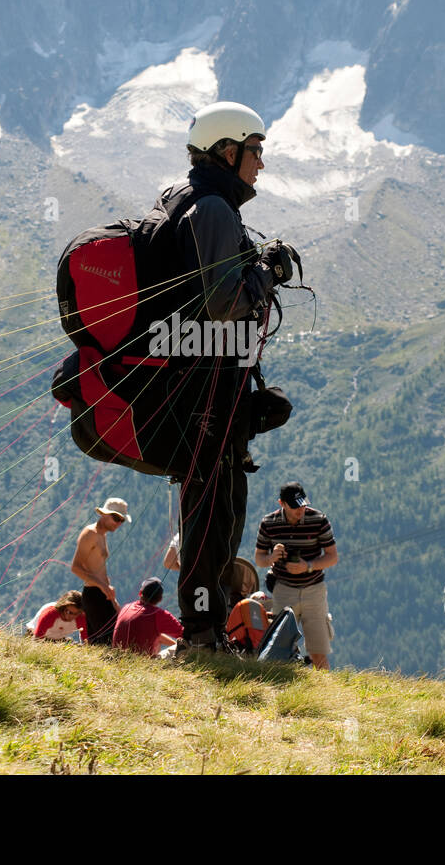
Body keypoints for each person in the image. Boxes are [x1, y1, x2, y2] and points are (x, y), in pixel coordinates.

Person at [168, 102, 297, 649]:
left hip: (191, 385)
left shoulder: (186, 200)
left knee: (210, 508)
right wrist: (267, 272)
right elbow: (225, 303)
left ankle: (207, 629)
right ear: (228, 150)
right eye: (255, 151)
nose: (261, 164)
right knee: (216, 514)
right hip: (207, 393)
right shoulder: (215, 209)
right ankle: (202, 636)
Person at [253, 481, 338, 669]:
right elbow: (259, 558)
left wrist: (307, 566)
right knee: (278, 650)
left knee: (318, 649)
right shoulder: (269, 523)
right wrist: (272, 558)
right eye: (295, 506)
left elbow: (332, 557)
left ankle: (325, 692)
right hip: (284, 589)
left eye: (303, 504)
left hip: (314, 589)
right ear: (281, 503)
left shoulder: (318, 520)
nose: (300, 510)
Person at [70, 498, 130, 645]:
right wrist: (103, 587)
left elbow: (99, 569)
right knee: (106, 642)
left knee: (105, 640)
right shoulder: (90, 533)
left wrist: (110, 595)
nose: (118, 523)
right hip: (93, 593)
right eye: (116, 518)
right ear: (104, 514)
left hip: (102, 593)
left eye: (121, 520)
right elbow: (76, 567)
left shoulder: (102, 535)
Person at [111, 577, 183, 656]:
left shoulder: (126, 607)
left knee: (155, 636)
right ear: (160, 599)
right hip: (141, 662)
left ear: (140, 593)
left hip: (117, 658)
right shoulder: (159, 615)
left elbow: (155, 635)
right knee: (185, 645)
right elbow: (185, 634)